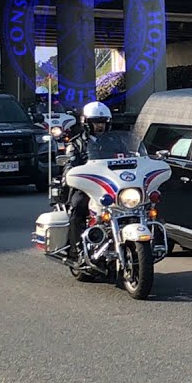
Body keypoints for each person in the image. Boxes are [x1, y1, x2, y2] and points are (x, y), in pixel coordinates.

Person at [57, 101, 113, 263]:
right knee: (78, 206)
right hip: (87, 188)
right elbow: (69, 167)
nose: (100, 126)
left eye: (102, 122)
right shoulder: (77, 144)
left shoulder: (115, 142)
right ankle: (76, 251)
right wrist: (72, 171)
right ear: (87, 123)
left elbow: (128, 157)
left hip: (110, 187)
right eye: (96, 122)